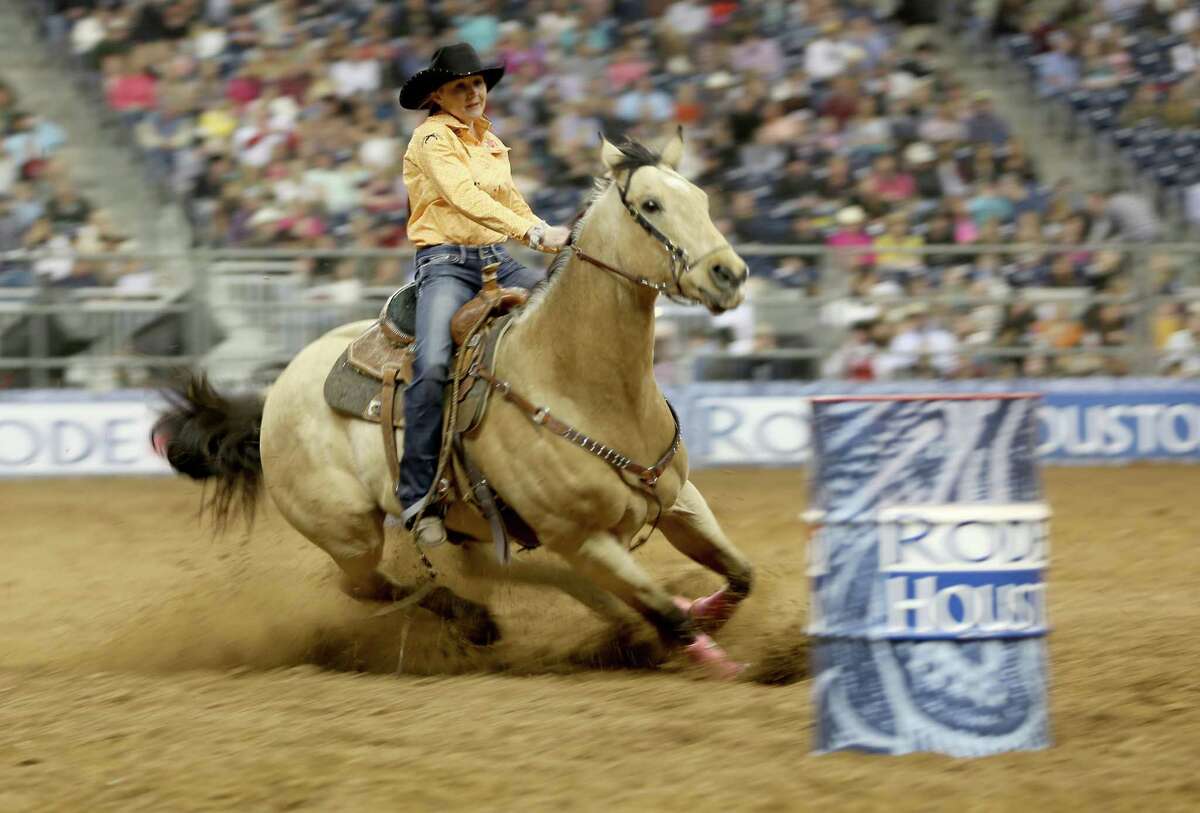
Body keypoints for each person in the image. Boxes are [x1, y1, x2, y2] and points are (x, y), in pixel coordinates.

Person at [396, 43, 570, 547]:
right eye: (460, 86)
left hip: (497, 259)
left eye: (477, 83)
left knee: (563, 329)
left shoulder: (489, 140)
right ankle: (418, 494)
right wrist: (535, 237)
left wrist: (544, 228)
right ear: (437, 95)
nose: (473, 93)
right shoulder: (431, 139)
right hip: (446, 264)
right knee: (431, 366)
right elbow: (464, 199)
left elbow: (508, 200)